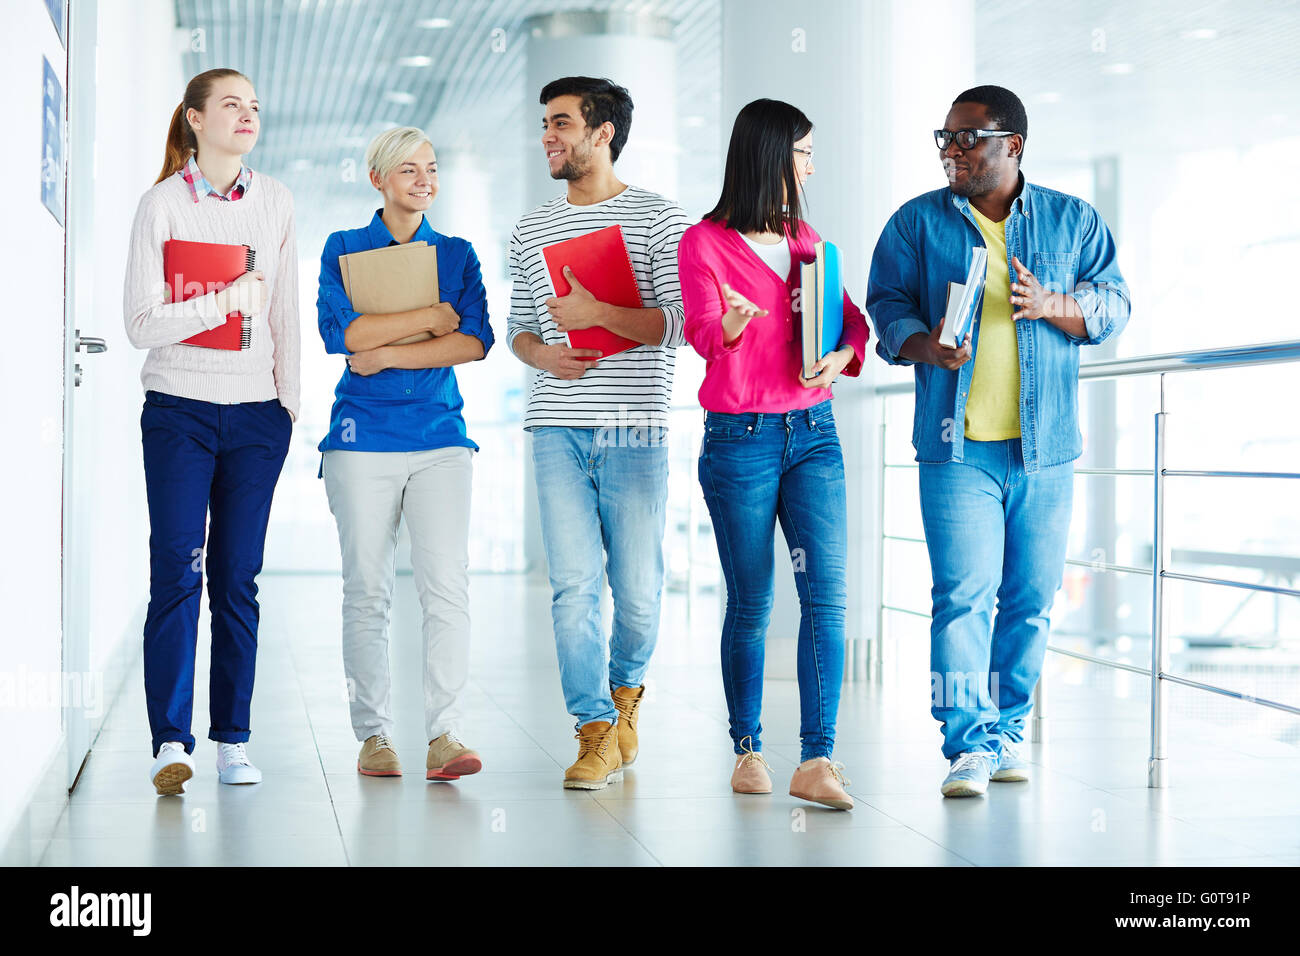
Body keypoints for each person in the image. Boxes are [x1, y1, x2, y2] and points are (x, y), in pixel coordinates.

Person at [866, 85, 1130, 797]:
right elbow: (885, 305)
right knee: (961, 595)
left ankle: (1009, 726)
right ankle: (967, 744)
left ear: (1012, 145)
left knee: (1031, 598)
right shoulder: (916, 223)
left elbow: (1114, 303)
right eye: (945, 138)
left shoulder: (1072, 221)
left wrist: (1056, 305)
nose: (952, 150)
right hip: (958, 450)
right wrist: (925, 345)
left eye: (968, 138)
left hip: (1045, 449)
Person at [678, 99, 869, 811]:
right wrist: (727, 324)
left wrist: (845, 352)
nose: (812, 167)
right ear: (771, 156)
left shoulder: (806, 238)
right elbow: (700, 332)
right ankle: (747, 748)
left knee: (826, 596)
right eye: (805, 153)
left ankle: (817, 758)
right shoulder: (703, 243)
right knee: (754, 600)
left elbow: (851, 318)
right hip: (741, 442)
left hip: (813, 435)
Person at [506, 76, 688, 790]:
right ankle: (592, 731)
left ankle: (625, 699)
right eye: (544, 124)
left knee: (637, 589)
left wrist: (598, 310)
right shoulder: (529, 228)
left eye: (561, 123)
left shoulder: (658, 220)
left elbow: (675, 327)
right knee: (574, 585)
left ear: (602, 132)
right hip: (556, 425)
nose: (547, 136)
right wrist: (541, 352)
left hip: (635, 426)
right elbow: (519, 328)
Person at [123, 68, 299, 794]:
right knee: (177, 571)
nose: (247, 114)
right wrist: (226, 299)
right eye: (230, 104)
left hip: (257, 417)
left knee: (237, 579)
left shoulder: (278, 201)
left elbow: (282, 310)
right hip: (178, 411)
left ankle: (233, 739)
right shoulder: (161, 205)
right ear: (194, 119)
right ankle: (171, 740)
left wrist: (289, 406)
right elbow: (140, 325)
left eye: (254, 105)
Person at [316, 127, 494, 781]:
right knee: (366, 588)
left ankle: (445, 733)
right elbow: (344, 334)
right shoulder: (343, 248)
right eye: (410, 170)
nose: (425, 180)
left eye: (433, 169)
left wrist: (386, 352)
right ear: (379, 180)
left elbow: (474, 341)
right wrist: (429, 317)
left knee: (446, 585)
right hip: (362, 440)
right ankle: (374, 737)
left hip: (441, 439)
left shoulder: (457, 253)